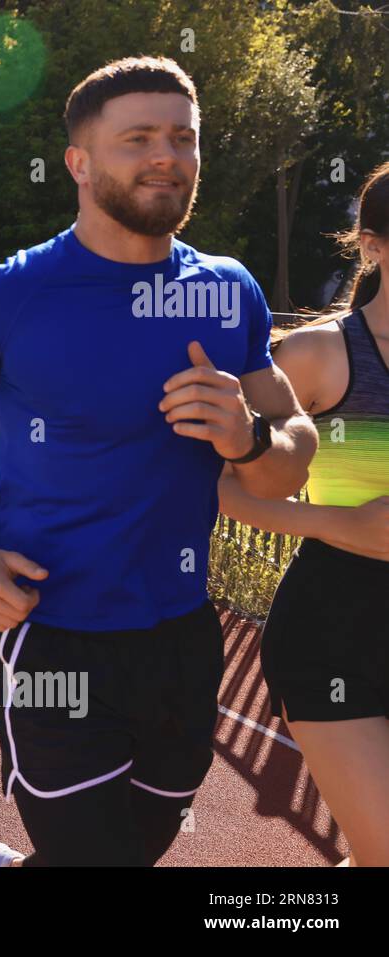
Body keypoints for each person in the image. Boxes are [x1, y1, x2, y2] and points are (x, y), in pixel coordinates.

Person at [0, 57, 317, 866]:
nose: (166, 156)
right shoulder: (2, 293)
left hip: (183, 634)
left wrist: (249, 436)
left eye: (183, 137)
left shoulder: (229, 291)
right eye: (137, 137)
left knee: (133, 850)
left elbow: (292, 456)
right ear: (78, 162)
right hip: (47, 633)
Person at [218, 161, 389, 867]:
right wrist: (340, 524)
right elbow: (222, 488)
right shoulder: (321, 353)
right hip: (336, 632)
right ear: (372, 245)